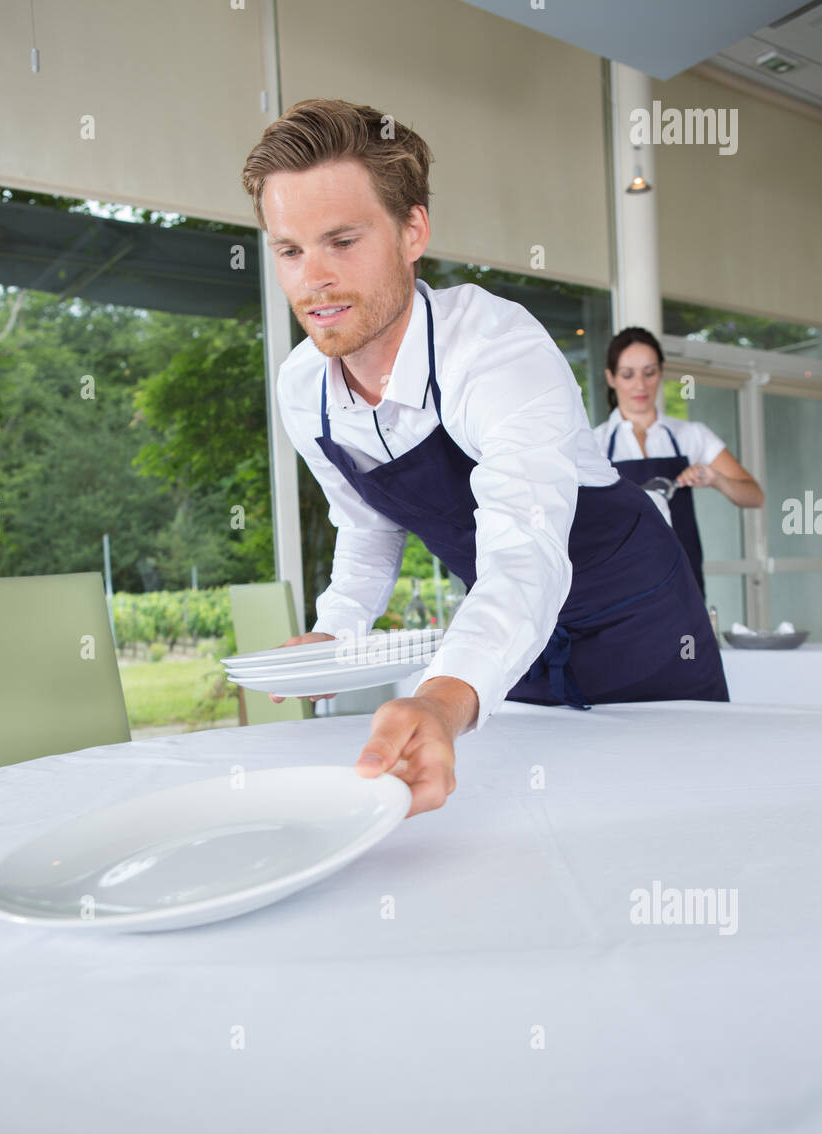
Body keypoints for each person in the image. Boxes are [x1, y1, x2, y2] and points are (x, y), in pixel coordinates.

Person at [241, 98, 728, 819]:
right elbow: (368, 526)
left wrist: (438, 695)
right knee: (537, 831)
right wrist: (337, 633)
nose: (312, 279)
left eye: (342, 241)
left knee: (684, 821)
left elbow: (523, 553)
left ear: (413, 231)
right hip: (504, 641)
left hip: (640, 621)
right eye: (289, 249)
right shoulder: (302, 387)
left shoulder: (498, 351)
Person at [594, 328, 764, 596]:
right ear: (611, 378)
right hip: (621, 587)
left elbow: (754, 496)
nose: (640, 385)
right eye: (628, 374)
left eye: (649, 373)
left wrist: (715, 478)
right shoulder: (595, 445)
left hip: (684, 584)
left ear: (661, 372)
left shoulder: (691, 435)